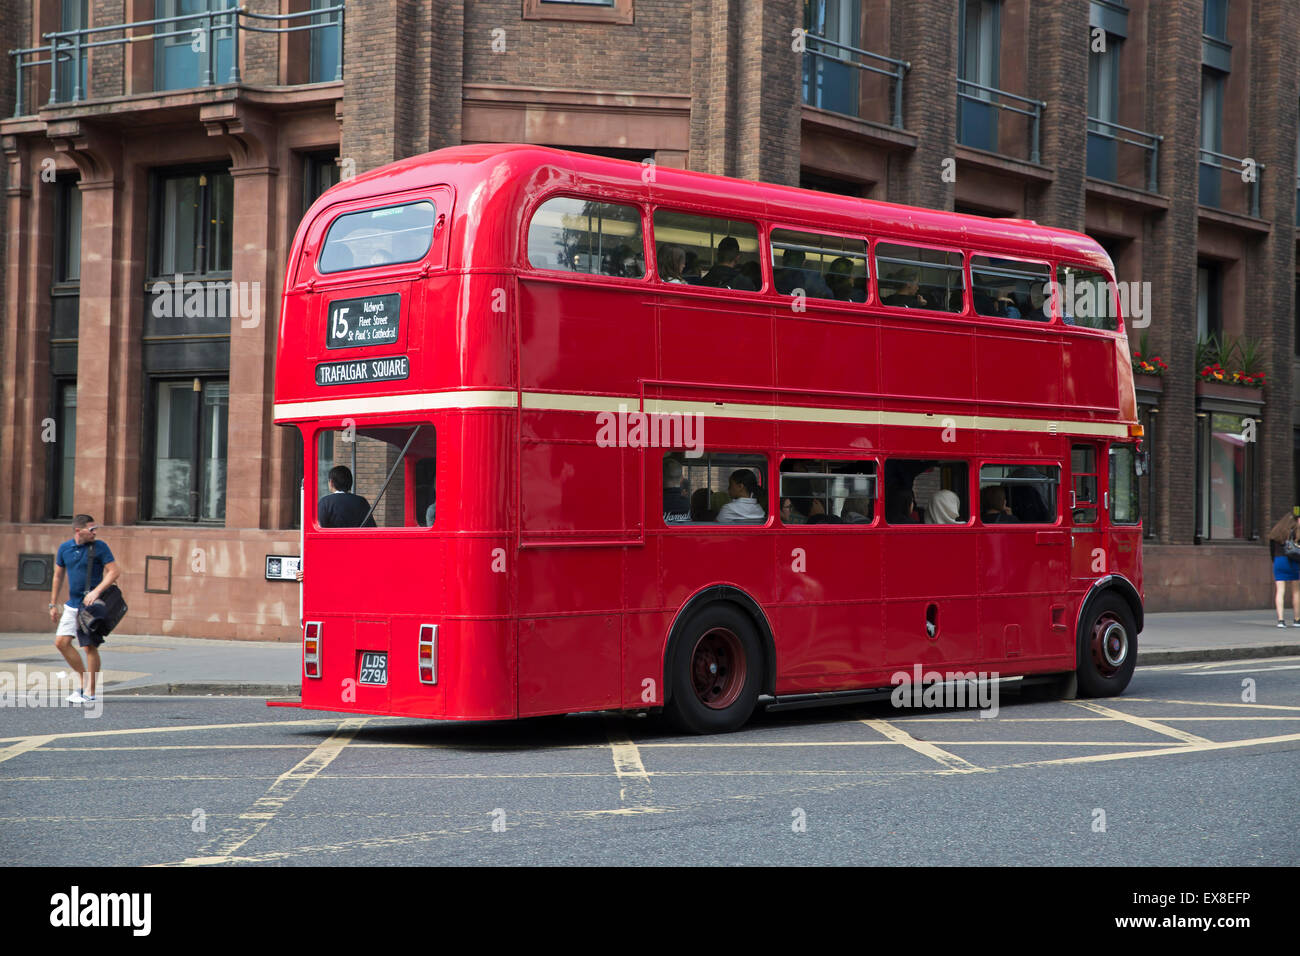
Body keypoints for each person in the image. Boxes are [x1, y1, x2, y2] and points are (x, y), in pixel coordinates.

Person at [49, 514, 120, 703]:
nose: (95, 532)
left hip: (89, 607)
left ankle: (91, 691)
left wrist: (96, 591)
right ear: (78, 530)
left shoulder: (100, 547)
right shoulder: (65, 548)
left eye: (95, 528)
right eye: (92, 529)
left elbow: (114, 571)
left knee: (89, 646)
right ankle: (83, 681)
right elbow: (58, 576)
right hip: (72, 605)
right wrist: (53, 603)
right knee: (61, 643)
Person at [1268, 511, 1300, 627]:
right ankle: (1297, 620)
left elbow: (1271, 551)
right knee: (1296, 591)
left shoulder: (1275, 533)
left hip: (1278, 561)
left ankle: (1280, 620)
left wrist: (1275, 561)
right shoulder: (1296, 532)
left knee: (1280, 591)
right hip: (1293, 562)